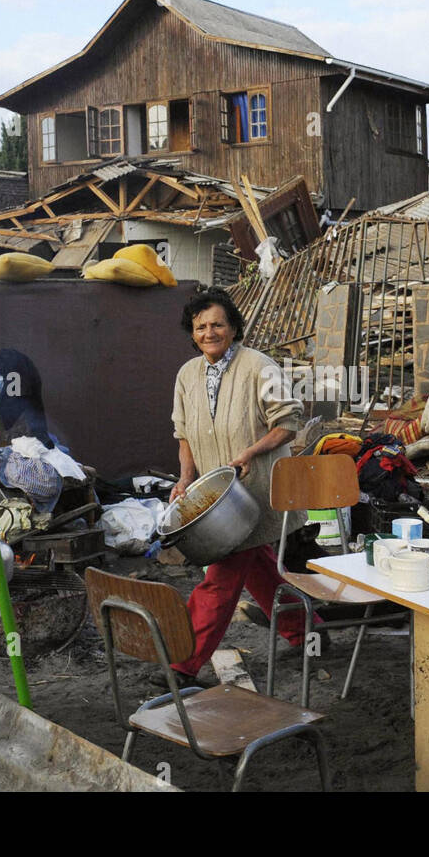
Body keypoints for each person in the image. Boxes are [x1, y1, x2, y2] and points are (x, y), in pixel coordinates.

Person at [168, 289, 313, 685]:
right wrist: (184, 479)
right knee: (260, 570)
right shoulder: (187, 374)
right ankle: (307, 633)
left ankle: (184, 664)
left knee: (221, 579)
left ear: (233, 327)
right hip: (215, 500)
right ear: (192, 333)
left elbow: (289, 421)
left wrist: (250, 452)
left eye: (217, 324)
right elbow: (184, 435)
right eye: (200, 326)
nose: (209, 332)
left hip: (256, 491)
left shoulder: (258, 366)